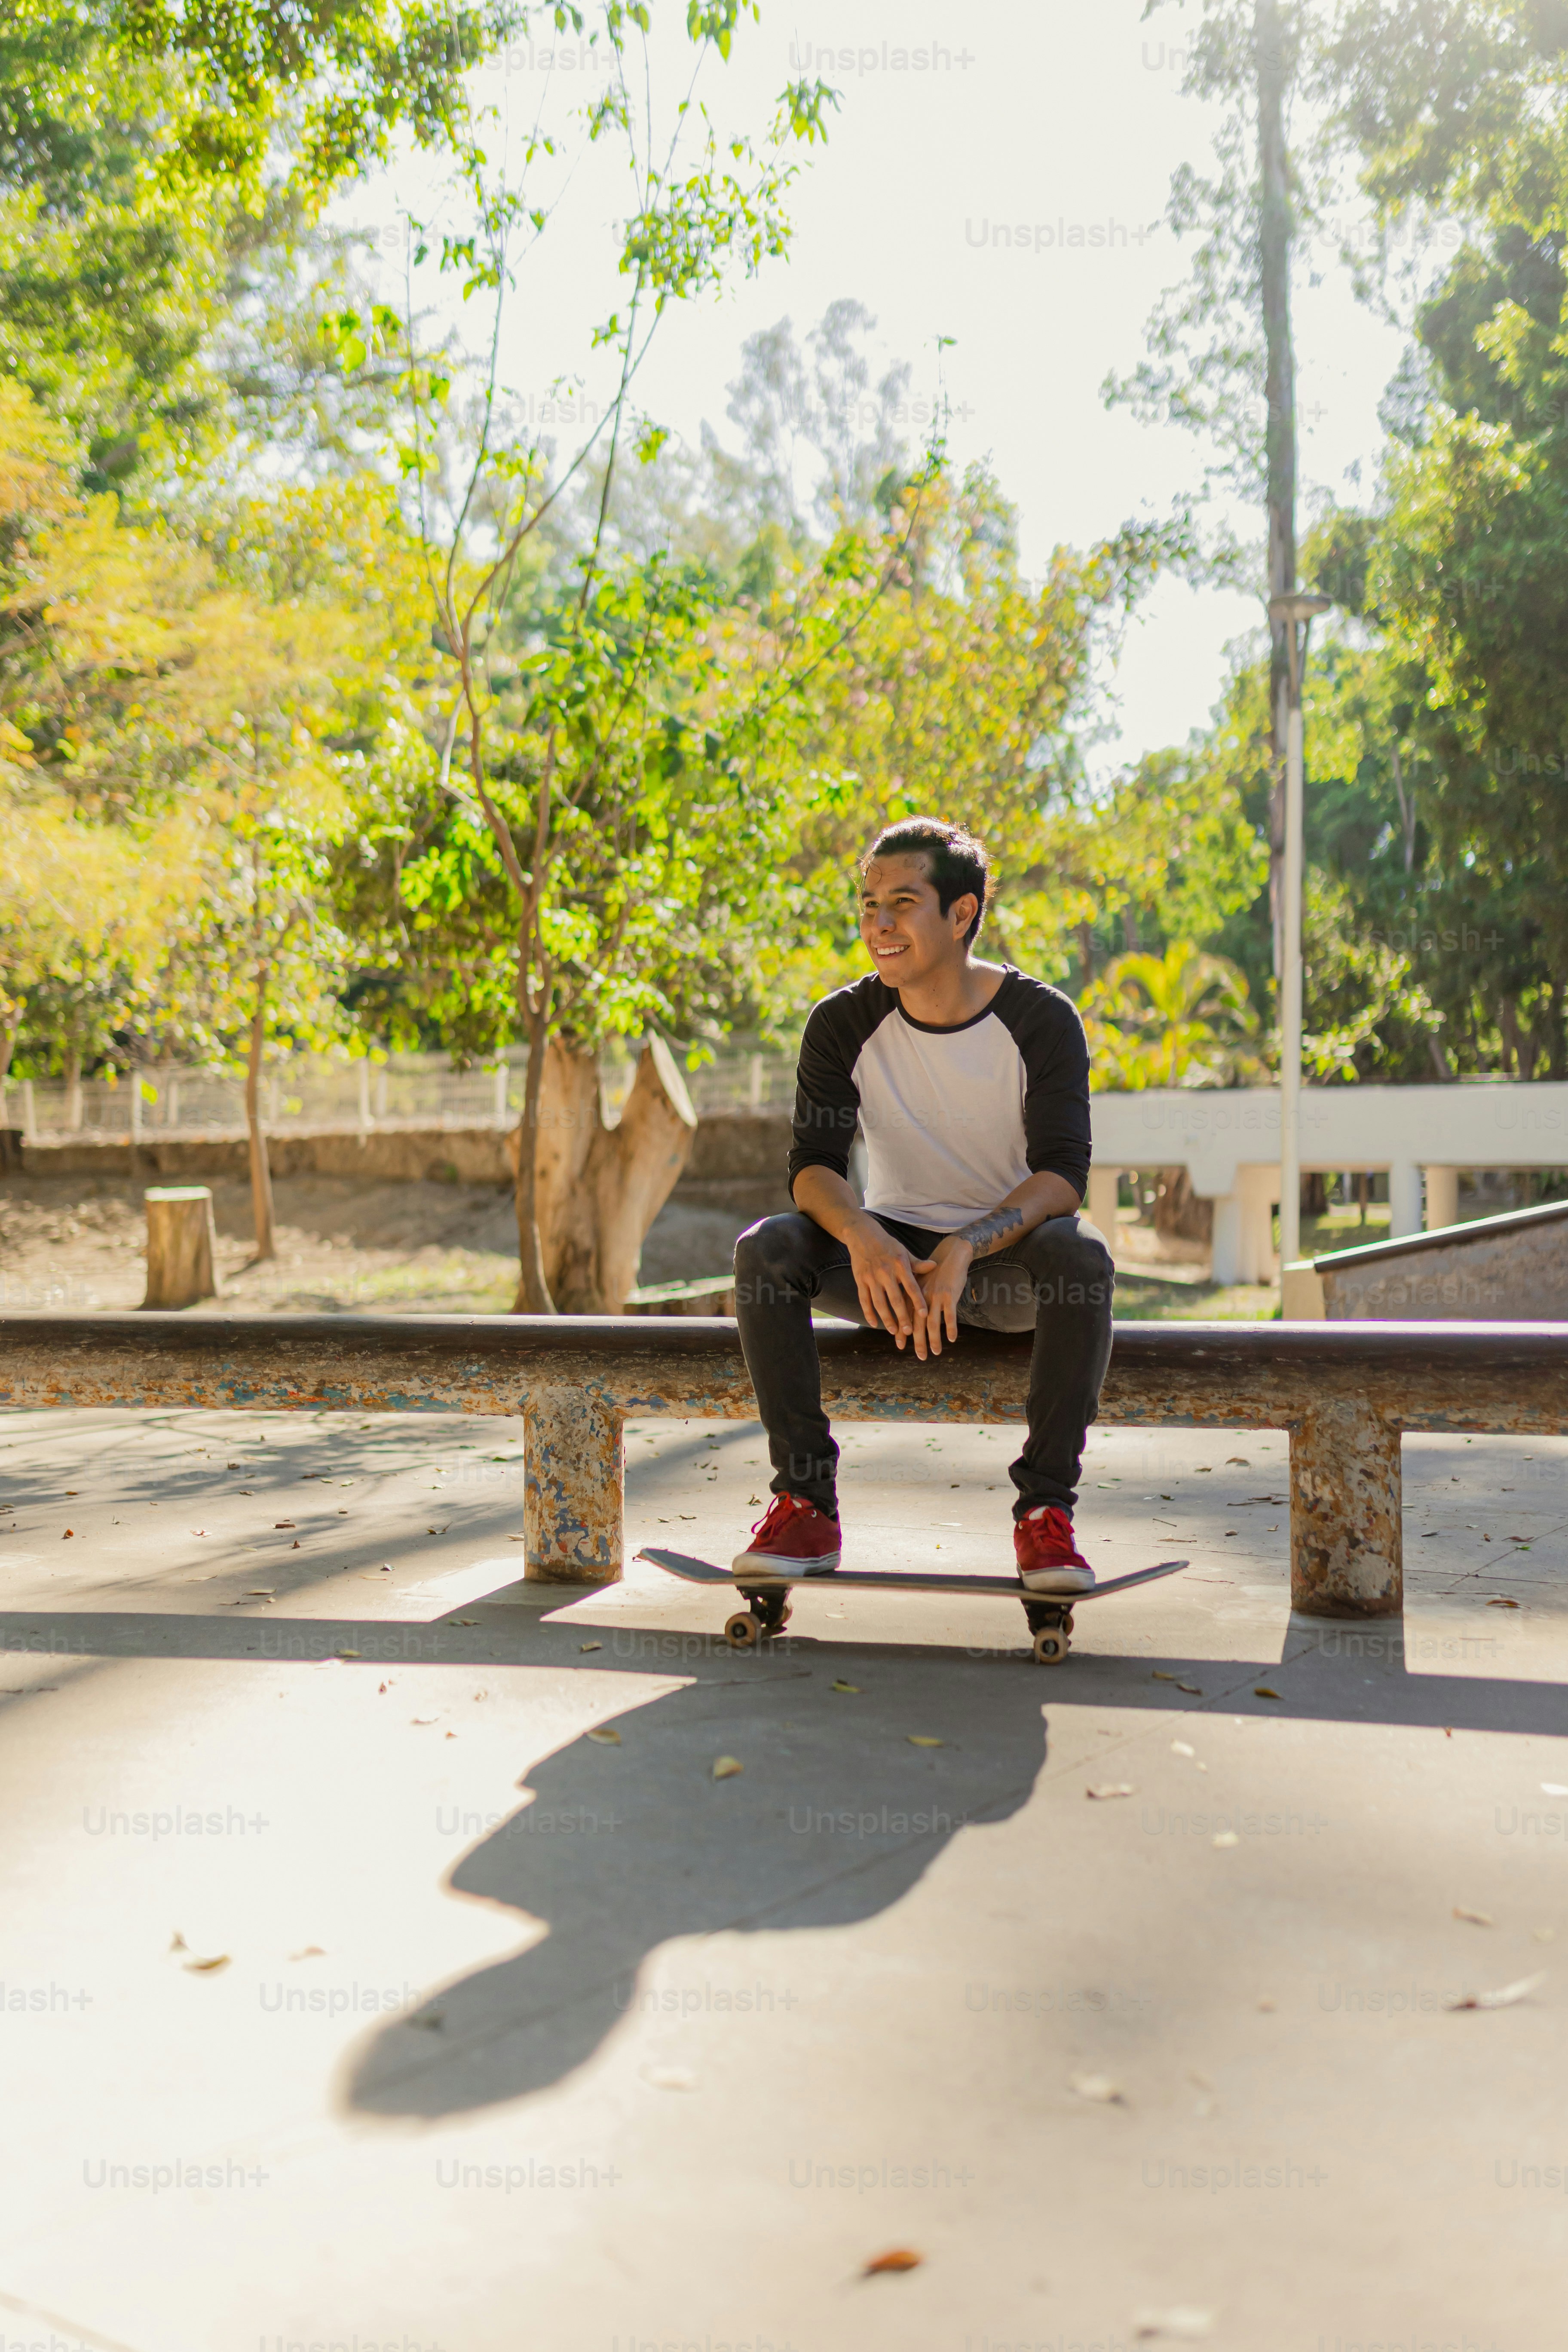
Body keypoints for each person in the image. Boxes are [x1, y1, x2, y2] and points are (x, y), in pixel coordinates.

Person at [731, 816, 1114, 1594]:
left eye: (902, 902)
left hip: (1002, 1266)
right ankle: (805, 1502)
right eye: (869, 904)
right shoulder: (841, 1024)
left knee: (1083, 1254)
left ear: (963, 912)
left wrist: (969, 1245)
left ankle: (1045, 1516)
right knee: (766, 1250)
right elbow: (812, 1167)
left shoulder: (1042, 1020)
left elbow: (1062, 1177)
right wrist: (864, 1236)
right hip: (892, 1265)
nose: (878, 923)